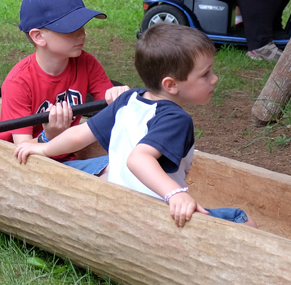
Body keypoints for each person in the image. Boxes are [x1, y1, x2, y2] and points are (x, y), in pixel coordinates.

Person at [15, 24, 257, 228]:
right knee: (242, 219)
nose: (214, 78)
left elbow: (80, 134)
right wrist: (175, 193)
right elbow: (138, 159)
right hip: (155, 207)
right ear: (171, 85)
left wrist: (44, 149)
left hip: (118, 197)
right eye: (205, 74)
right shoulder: (176, 119)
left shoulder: (128, 100)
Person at [0, 0, 119, 176]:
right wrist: (48, 136)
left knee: (131, 164)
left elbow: (114, 111)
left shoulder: (86, 63)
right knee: (118, 171)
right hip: (24, 165)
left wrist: (120, 99)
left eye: (82, 24)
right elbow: (22, 150)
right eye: (71, 28)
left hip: (66, 159)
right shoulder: (19, 82)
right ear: (38, 36)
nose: (81, 33)